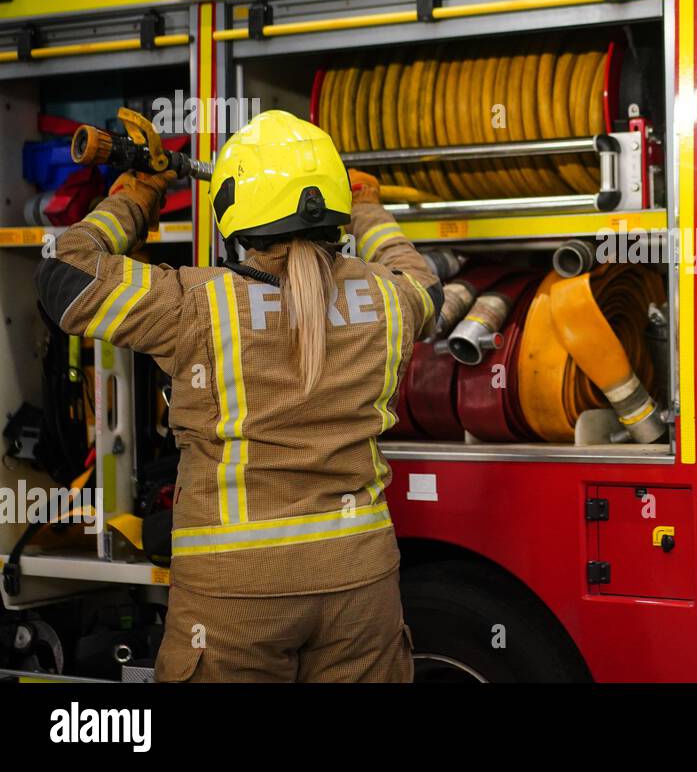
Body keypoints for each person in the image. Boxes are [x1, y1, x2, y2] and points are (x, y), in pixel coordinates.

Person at [36, 110, 441, 682]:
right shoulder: (390, 301)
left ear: (234, 212)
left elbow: (63, 273)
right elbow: (426, 282)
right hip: (361, 585)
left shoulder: (195, 305)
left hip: (234, 596)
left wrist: (138, 193)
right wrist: (371, 208)